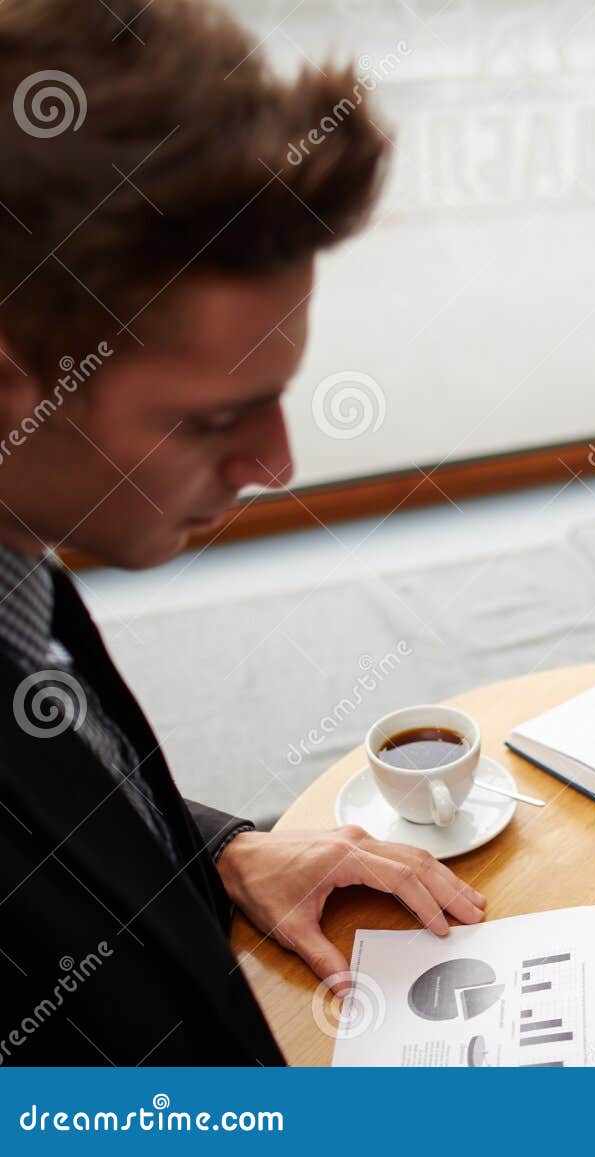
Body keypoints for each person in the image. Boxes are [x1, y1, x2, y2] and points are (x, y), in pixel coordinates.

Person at [0, 0, 484, 1064]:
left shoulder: (22, 554)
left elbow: (59, 810)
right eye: (212, 418)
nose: (275, 466)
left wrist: (209, 852)